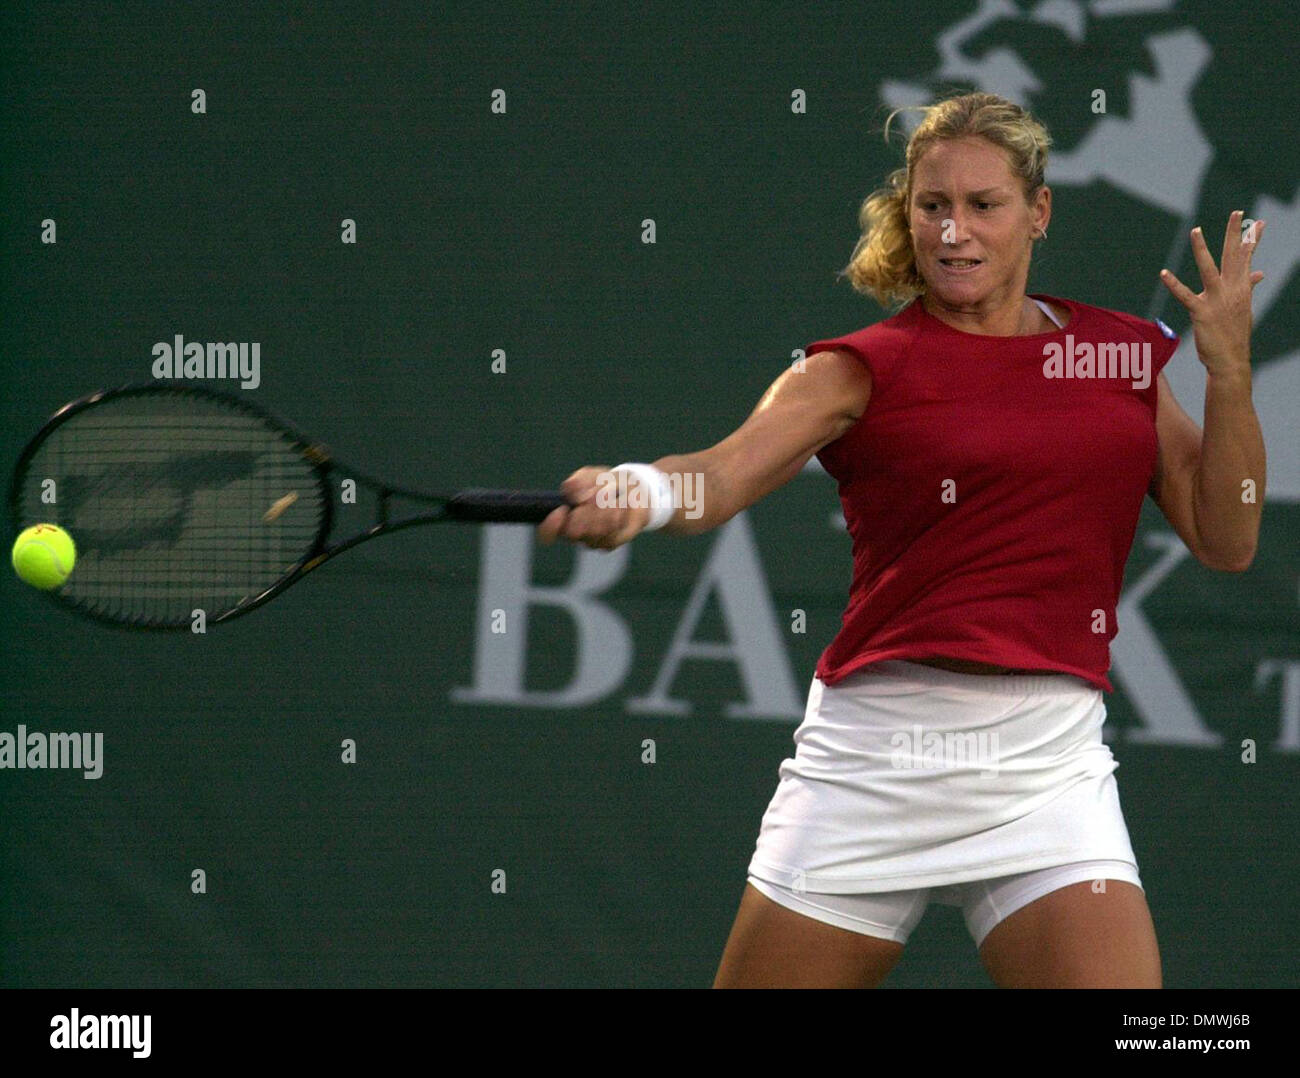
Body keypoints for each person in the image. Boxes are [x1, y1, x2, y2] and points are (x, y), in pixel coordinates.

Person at [536, 91, 1266, 988]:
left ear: (1038, 211)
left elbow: (1227, 537)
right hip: (874, 765)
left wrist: (1228, 373)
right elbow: (720, 476)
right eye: (933, 206)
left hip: (1048, 767)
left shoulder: (1115, 357)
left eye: (983, 206)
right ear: (908, 212)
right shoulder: (856, 367)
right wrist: (641, 491)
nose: (953, 231)